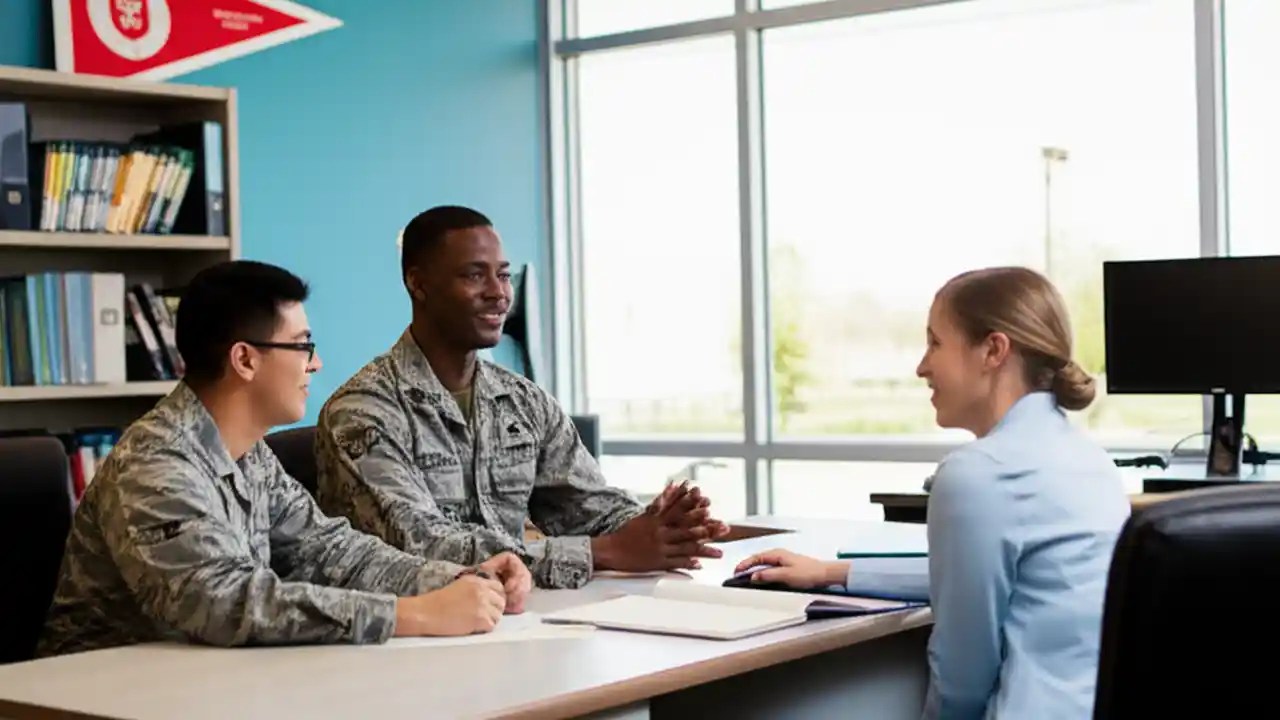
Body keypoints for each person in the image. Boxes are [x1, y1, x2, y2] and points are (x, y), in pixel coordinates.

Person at [39, 260, 531, 658]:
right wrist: (415, 615)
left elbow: (330, 551)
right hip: (97, 698)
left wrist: (461, 579)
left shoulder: (250, 456)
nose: (315, 364)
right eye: (302, 346)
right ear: (245, 360)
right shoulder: (155, 464)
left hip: (208, 684)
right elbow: (228, 602)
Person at [734, 267, 1130, 719]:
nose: (922, 366)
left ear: (993, 350)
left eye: (935, 343)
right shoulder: (1089, 460)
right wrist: (832, 572)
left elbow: (963, 671)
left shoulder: (979, 474)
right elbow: (985, 577)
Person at [315, 205, 729, 589]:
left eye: (503, 275)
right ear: (418, 284)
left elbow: (585, 506)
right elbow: (421, 546)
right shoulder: (362, 411)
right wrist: (606, 552)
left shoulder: (523, 401)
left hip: (518, 620)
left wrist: (662, 528)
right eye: (475, 275)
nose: (498, 293)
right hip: (406, 638)